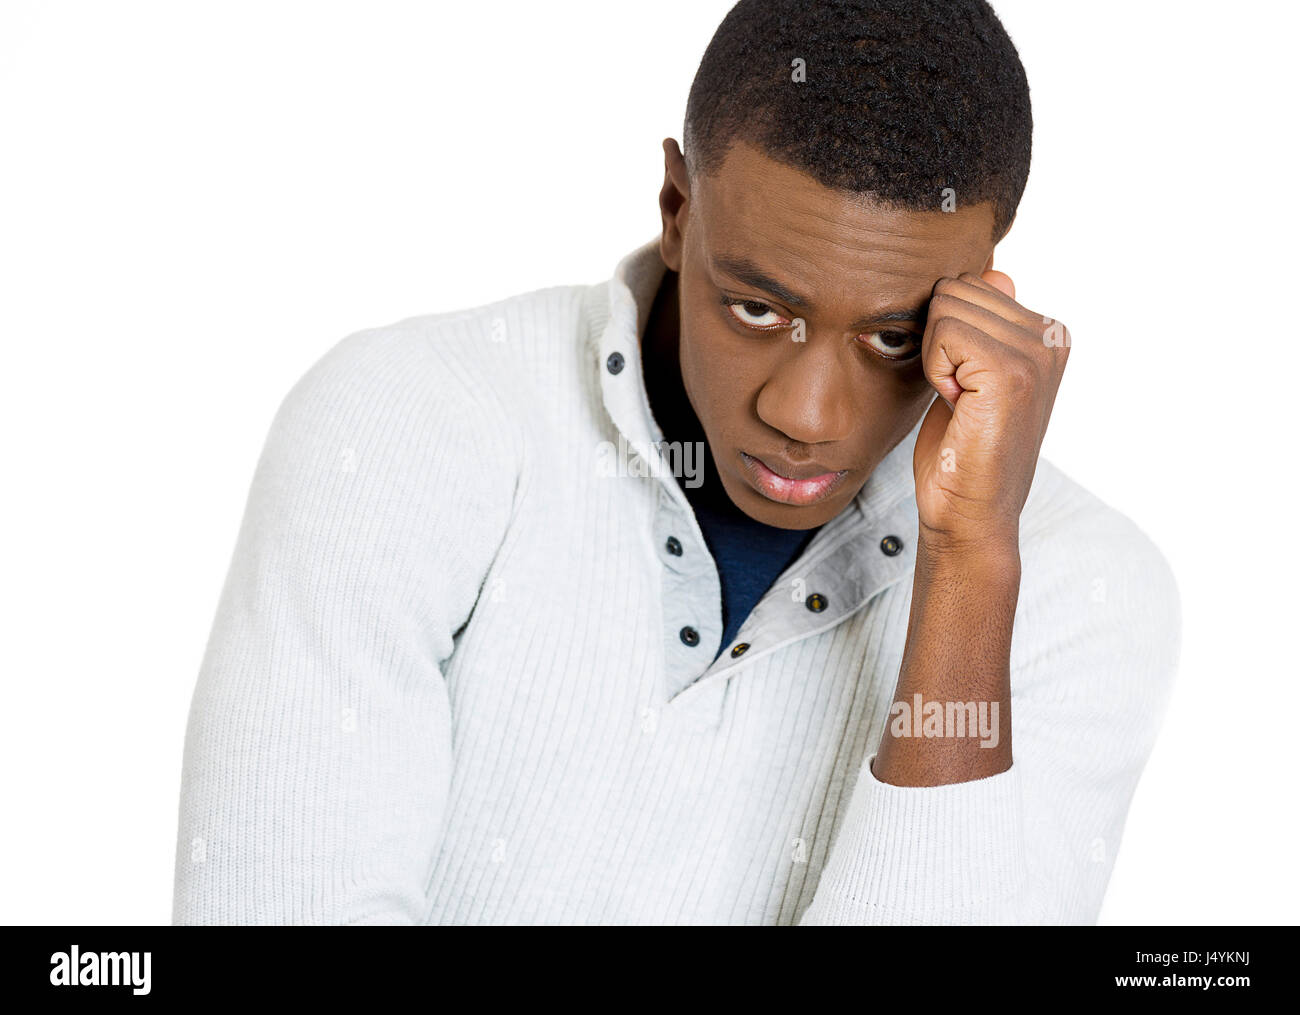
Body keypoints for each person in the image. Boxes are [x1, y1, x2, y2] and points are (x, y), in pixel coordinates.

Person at [171, 0, 1180, 925]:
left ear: (987, 296)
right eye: (757, 308)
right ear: (675, 204)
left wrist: (967, 559)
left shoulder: (1081, 594)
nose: (802, 414)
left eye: (891, 336)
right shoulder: (408, 420)